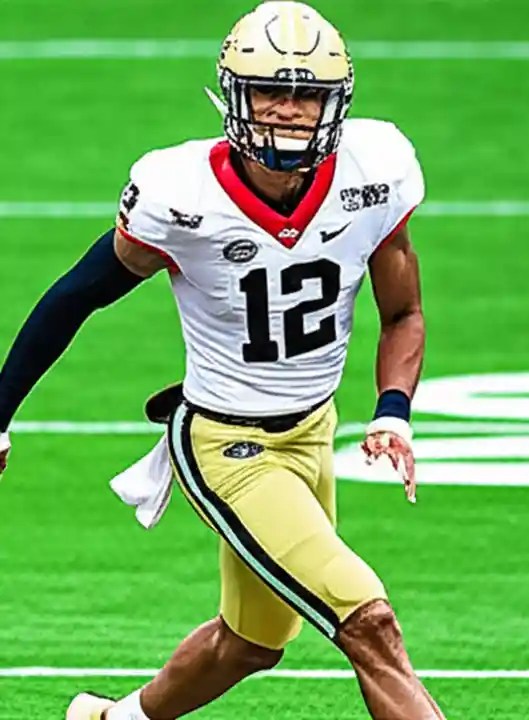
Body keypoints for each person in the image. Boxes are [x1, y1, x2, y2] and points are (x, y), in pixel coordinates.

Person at [0, 3, 444, 718]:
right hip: (226, 442)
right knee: (369, 621)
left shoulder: (377, 169)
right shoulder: (181, 194)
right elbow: (75, 296)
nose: (291, 113)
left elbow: (404, 313)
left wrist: (395, 412)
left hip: (312, 430)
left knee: (253, 642)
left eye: (308, 95)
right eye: (272, 90)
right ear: (234, 96)